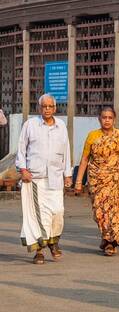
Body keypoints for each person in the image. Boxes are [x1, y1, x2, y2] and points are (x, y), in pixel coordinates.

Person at [74, 106, 119, 256]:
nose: (107, 120)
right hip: (97, 179)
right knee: (100, 211)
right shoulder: (92, 136)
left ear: (114, 119)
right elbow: (84, 159)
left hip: (116, 180)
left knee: (114, 211)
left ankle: (111, 242)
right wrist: (78, 182)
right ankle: (106, 236)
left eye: (110, 118)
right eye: (104, 117)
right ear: (99, 119)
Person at [16, 94, 72, 264]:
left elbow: (66, 150)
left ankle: (53, 242)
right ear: (39, 108)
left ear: (55, 108)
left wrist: (67, 174)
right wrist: (23, 169)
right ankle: (39, 251)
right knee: (38, 217)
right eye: (44, 107)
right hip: (34, 178)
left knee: (58, 212)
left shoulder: (61, 125)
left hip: (55, 178)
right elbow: (21, 148)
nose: (47, 109)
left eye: (50, 107)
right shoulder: (30, 125)